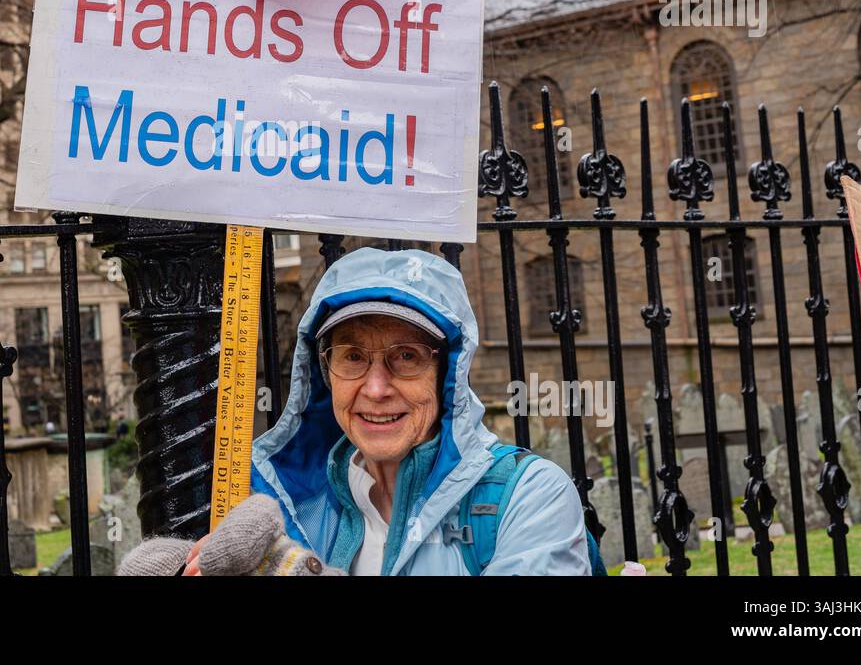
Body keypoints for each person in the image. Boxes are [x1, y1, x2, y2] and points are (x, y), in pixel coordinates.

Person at [121, 246, 597, 576]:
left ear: (447, 372)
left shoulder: (528, 498)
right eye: (352, 356)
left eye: (406, 356)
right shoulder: (285, 505)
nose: (375, 387)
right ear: (324, 371)